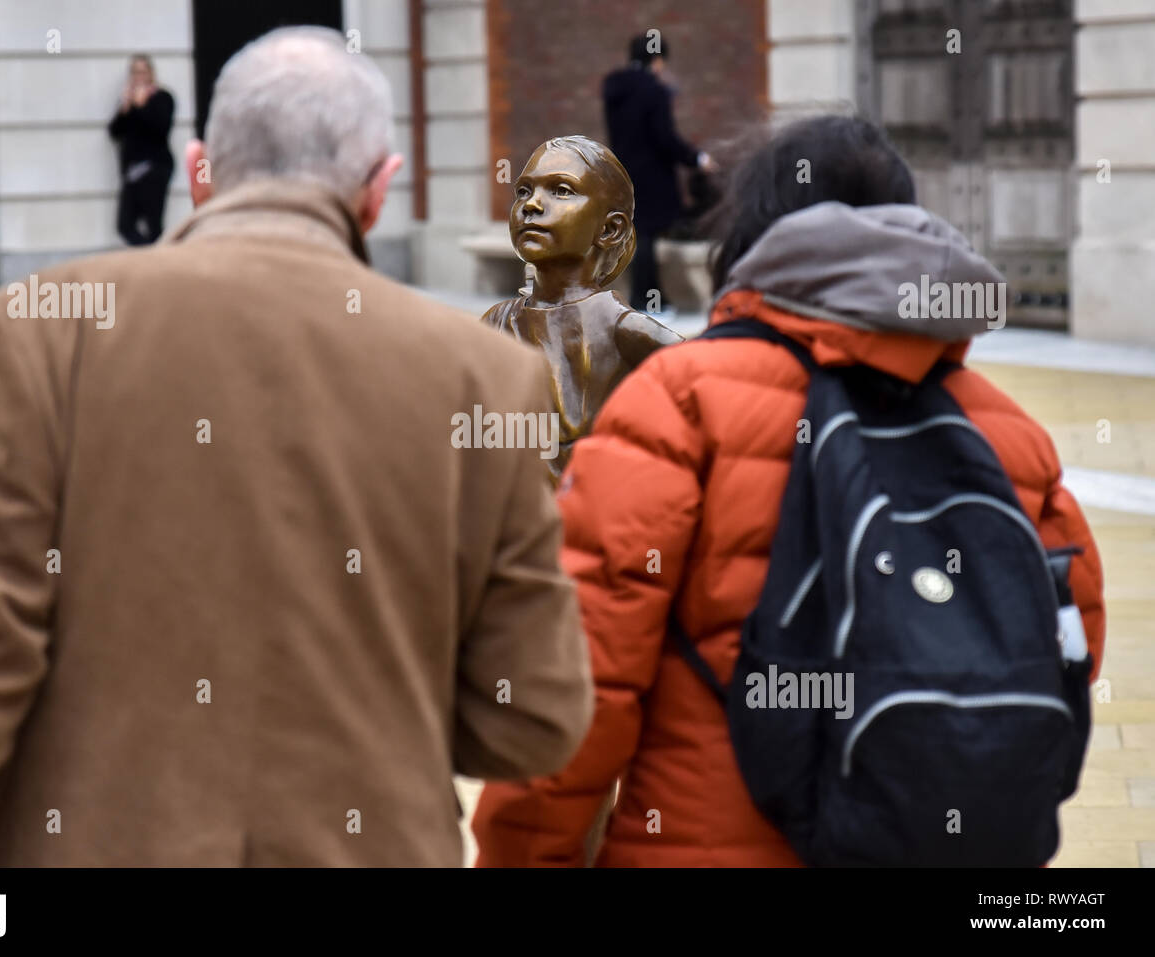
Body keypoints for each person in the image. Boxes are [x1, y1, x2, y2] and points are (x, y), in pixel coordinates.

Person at [0, 26, 592, 867]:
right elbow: (535, 714)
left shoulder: (54, 330)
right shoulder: (487, 378)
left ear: (200, 169)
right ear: (378, 190)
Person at [472, 115, 1105, 867]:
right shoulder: (1009, 434)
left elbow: (581, 685)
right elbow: (1066, 651)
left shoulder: (680, 399)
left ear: (748, 234)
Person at [481, 135, 680, 485]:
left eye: (560, 190)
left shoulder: (622, 328)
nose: (531, 205)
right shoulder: (497, 322)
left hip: (587, 520)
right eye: (524, 191)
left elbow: (711, 389)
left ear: (609, 228)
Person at [602, 34, 714, 312]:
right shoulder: (654, 90)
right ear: (658, 60)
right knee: (647, 237)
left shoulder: (615, 89)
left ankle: (650, 299)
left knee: (639, 234)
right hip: (652, 174)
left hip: (625, 170)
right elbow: (665, 138)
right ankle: (649, 301)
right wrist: (697, 159)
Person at [108, 54, 175, 245]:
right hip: (132, 172)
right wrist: (126, 108)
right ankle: (147, 259)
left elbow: (160, 129)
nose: (139, 76)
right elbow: (114, 132)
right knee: (124, 225)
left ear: (151, 73)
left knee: (154, 225)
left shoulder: (162, 97)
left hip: (155, 169)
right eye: (135, 72)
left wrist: (140, 106)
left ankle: (158, 266)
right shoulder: (128, 101)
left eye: (142, 71)